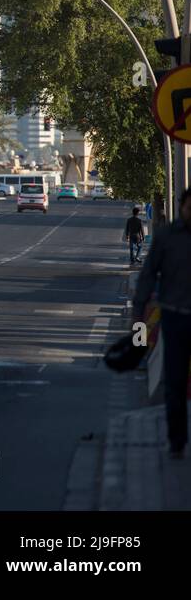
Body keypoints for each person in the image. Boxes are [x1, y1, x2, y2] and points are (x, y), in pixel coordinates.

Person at [133, 188, 191, 459]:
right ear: (182, 207)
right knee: (175, 382)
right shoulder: (167, 237)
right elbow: (148, 274)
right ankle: (176, 440)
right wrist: (139, 310)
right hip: (175, 317)